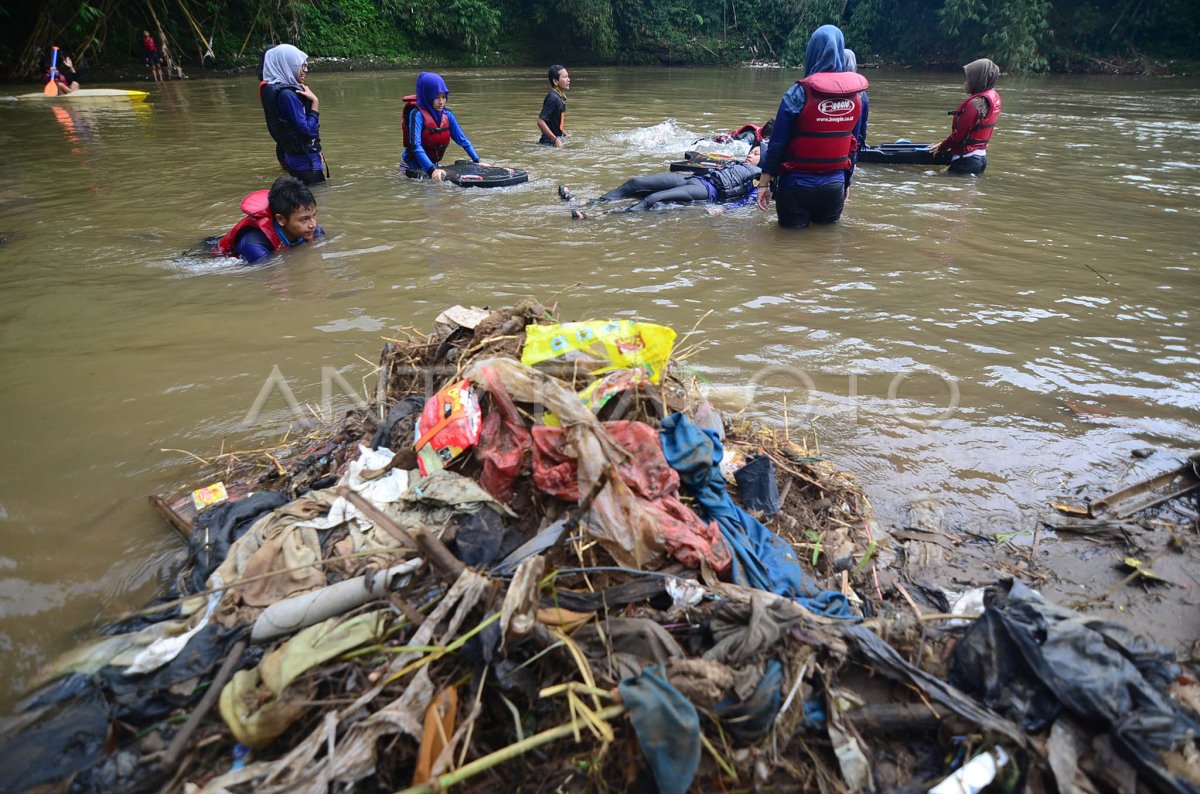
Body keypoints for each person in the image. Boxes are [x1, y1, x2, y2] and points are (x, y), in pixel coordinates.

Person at [757, 25, 868, 229]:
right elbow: (854, 144)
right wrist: (847, 182)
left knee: (790, 249)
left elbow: (777, 144)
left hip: (796, 185)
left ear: (812, 51)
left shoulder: (798, 92)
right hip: (834, 186)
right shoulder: (856, 96)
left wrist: (764, 183)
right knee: (825, 250)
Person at [561, 145, 762, 218]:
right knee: (636, 183)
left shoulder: (759, 179)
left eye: (755, 154)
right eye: (750, 151)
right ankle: (588, 202)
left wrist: (725, 210)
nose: (749, 155)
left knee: (652, 199)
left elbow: (747, 202)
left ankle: (602, 215)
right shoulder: (735, 163)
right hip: (692, 179)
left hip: (706, 193)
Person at [215, 176, 324, 264]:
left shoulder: (315, 231)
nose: (312, 225)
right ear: (280, 219)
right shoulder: (255, 245)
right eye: (304, 219)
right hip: (216, 253)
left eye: (314, 216)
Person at [260, 44, 325, 185]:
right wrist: (315, 102)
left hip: (294, 155)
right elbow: (307, 131)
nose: (306, 70)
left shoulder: (273, 89)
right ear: (287, 65)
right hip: (304, 160)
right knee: (318, 197)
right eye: (302, 65)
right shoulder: (288, 96)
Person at [402, 72, 487, 180]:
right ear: (427, 96)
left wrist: (477, 161)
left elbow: (463, 140)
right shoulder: (417, 115)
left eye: (444, 97)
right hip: (411, 168)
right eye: (437, 97)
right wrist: (432, 170)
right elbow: (415, 146)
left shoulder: (448, 116)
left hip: (434, 167)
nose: (441, 102)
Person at [931, 58, 1001, 176]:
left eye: (969, 79)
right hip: (980, 158)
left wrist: (942, 147)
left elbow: (958, 136)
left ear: (978, 80)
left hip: (966, 160)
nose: (965, 82)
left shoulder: (974, 104)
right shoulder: (993, 99)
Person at [537, 64, 570, 148]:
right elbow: (540, 122)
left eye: (568, 77)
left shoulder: (559, 97)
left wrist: (564, 133)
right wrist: (555, 140)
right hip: (548, 143)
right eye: (565, 77)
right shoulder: (552, 97)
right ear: (555, 81)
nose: (568, 80)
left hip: (556, 139)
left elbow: (554, 122)